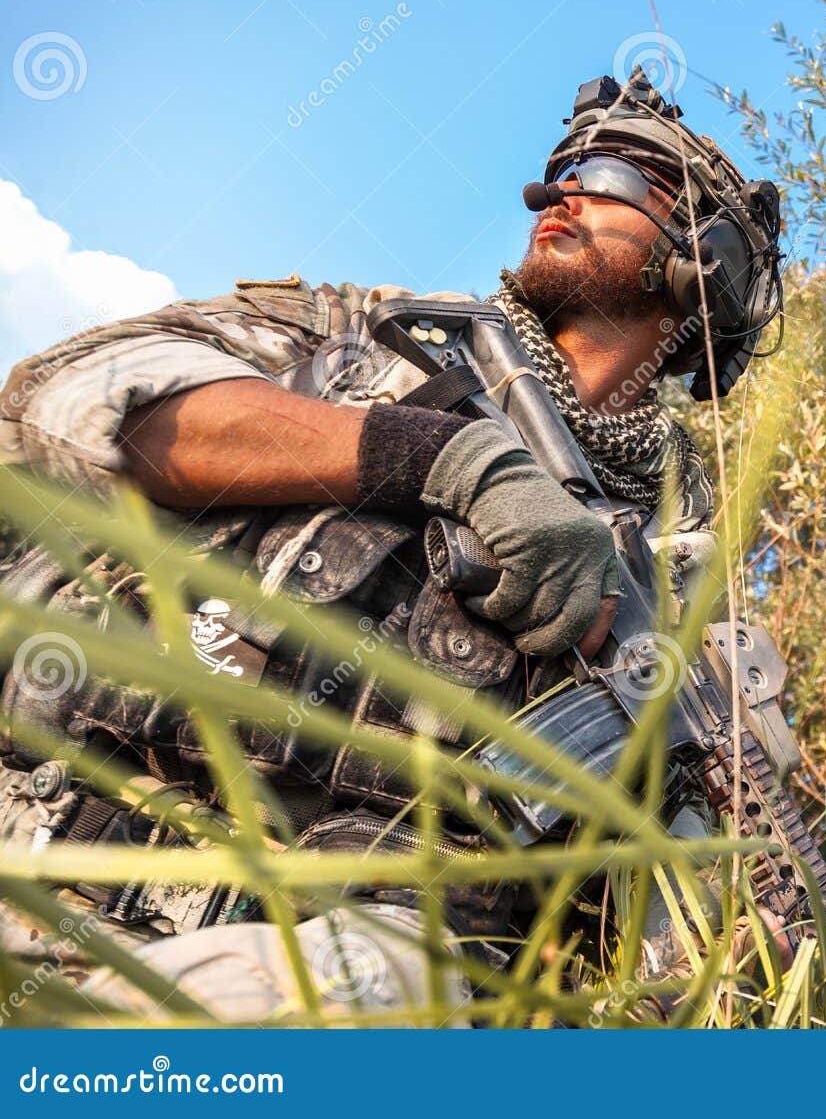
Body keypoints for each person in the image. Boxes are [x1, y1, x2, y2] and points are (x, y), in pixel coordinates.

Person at [0, 68, 785, 1024]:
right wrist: (438, 455)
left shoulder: (681, 578)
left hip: (359, 973)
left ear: (707, 265)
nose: (560, 189)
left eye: (613, 174)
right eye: (562, 164)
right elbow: (72, 403)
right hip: (51, 839)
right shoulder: (358, 338)